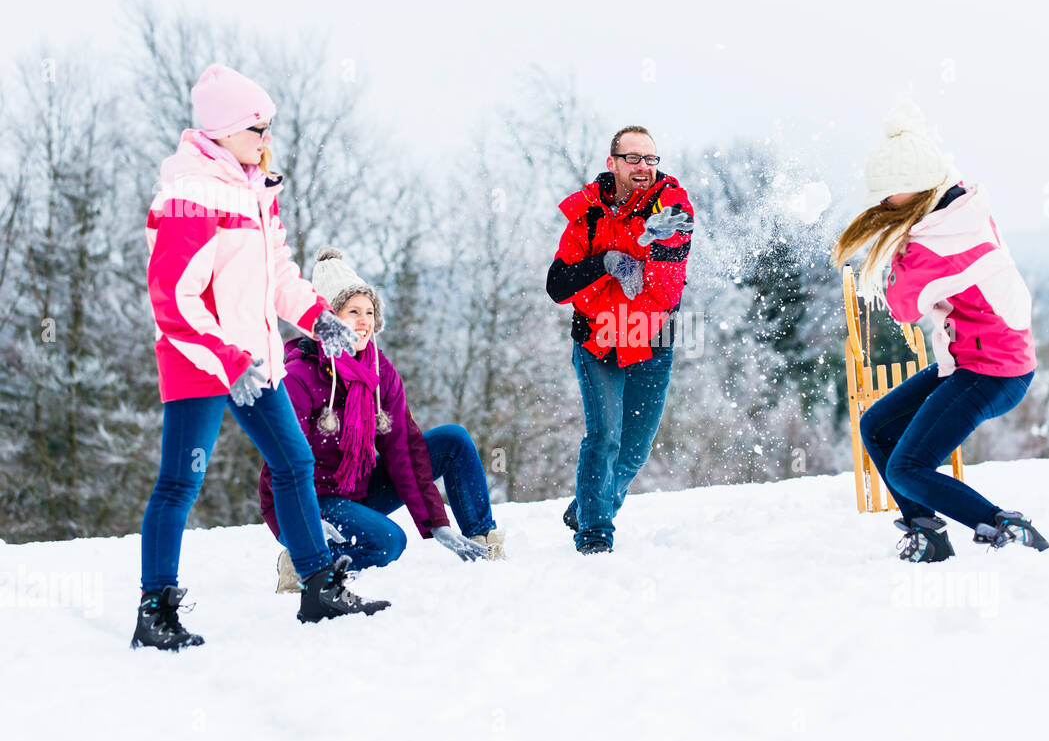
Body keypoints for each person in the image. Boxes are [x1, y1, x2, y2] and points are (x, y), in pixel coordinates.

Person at [136, 64, 390, 650]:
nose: (265, 139)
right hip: (200, 359)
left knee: (295, 465)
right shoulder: (187, 193)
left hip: (257, 359)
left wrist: (317, 317)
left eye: (268, 127)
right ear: (224, 129)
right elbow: (173, 298)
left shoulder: (254, 189)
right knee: (179, 482)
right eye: (257, 128)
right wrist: (227, 361)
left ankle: (319, 586)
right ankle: (156, 610)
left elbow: (278, 273)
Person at [831, 102, 1049, 563]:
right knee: (877, 427)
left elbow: (902, 308)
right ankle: (926, 532)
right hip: (973, 359)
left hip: (994, 371)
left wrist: (897, 255)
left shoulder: (939, 245)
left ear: (914, 190)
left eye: (889, 195)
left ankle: (1007, 527)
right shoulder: (960, 202)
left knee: (908, 467)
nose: (884, 205)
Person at [259, 247, 502, 589]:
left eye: (370, 312)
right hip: (311, 498)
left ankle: (480, 539)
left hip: (358, 486)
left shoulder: (378, 370)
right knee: (389, 542)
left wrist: (437, 522)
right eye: (353, 311)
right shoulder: (299, 375)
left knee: (453, 441)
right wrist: (304, 522)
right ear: (328, 318)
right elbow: (279, 460)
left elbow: (403, 449)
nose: (364, 322)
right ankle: (305, 562)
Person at [546, 126, 695, 554]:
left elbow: (665, 292)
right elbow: (558, 286)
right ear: (612, 163)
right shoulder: (587, 213)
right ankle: (595, 535)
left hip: (652, 338)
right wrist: (607, 262)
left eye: (651, 159)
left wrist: (659, 242)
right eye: (634, 159)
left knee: (634, 449)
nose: (644, 168)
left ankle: (588, 507)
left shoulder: (672, 207)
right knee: (605, 436)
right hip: (598, 341)